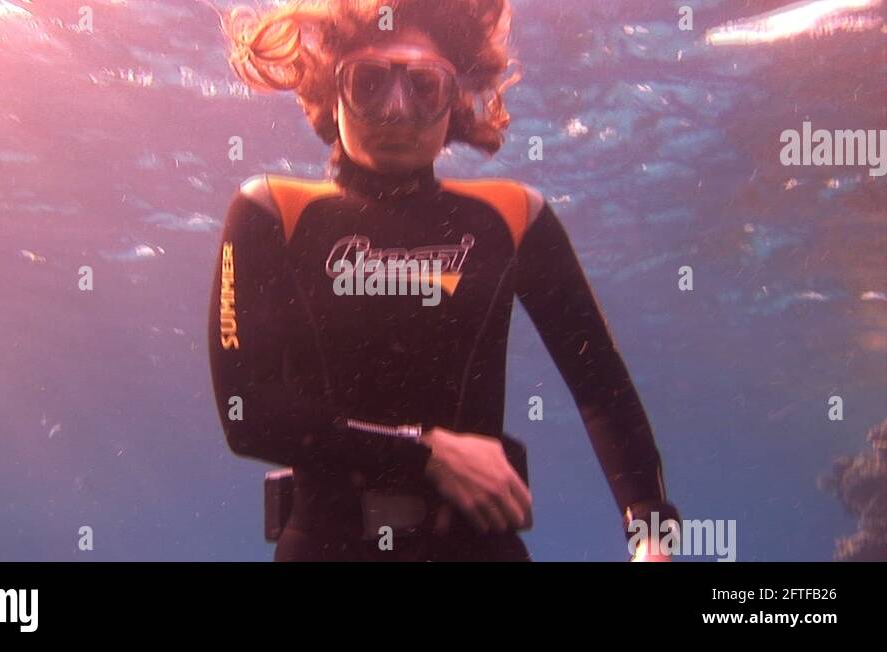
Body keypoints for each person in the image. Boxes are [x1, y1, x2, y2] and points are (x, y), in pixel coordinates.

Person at [209, 0, 679, 561]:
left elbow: (601, 387)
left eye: (425, 87)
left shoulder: (514, 217)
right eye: (370, 82)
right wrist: (425, 454)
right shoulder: (272, 212)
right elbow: (248, 413)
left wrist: (654, 534)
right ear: (332, 92)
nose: (396, 111)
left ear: (454, 101)